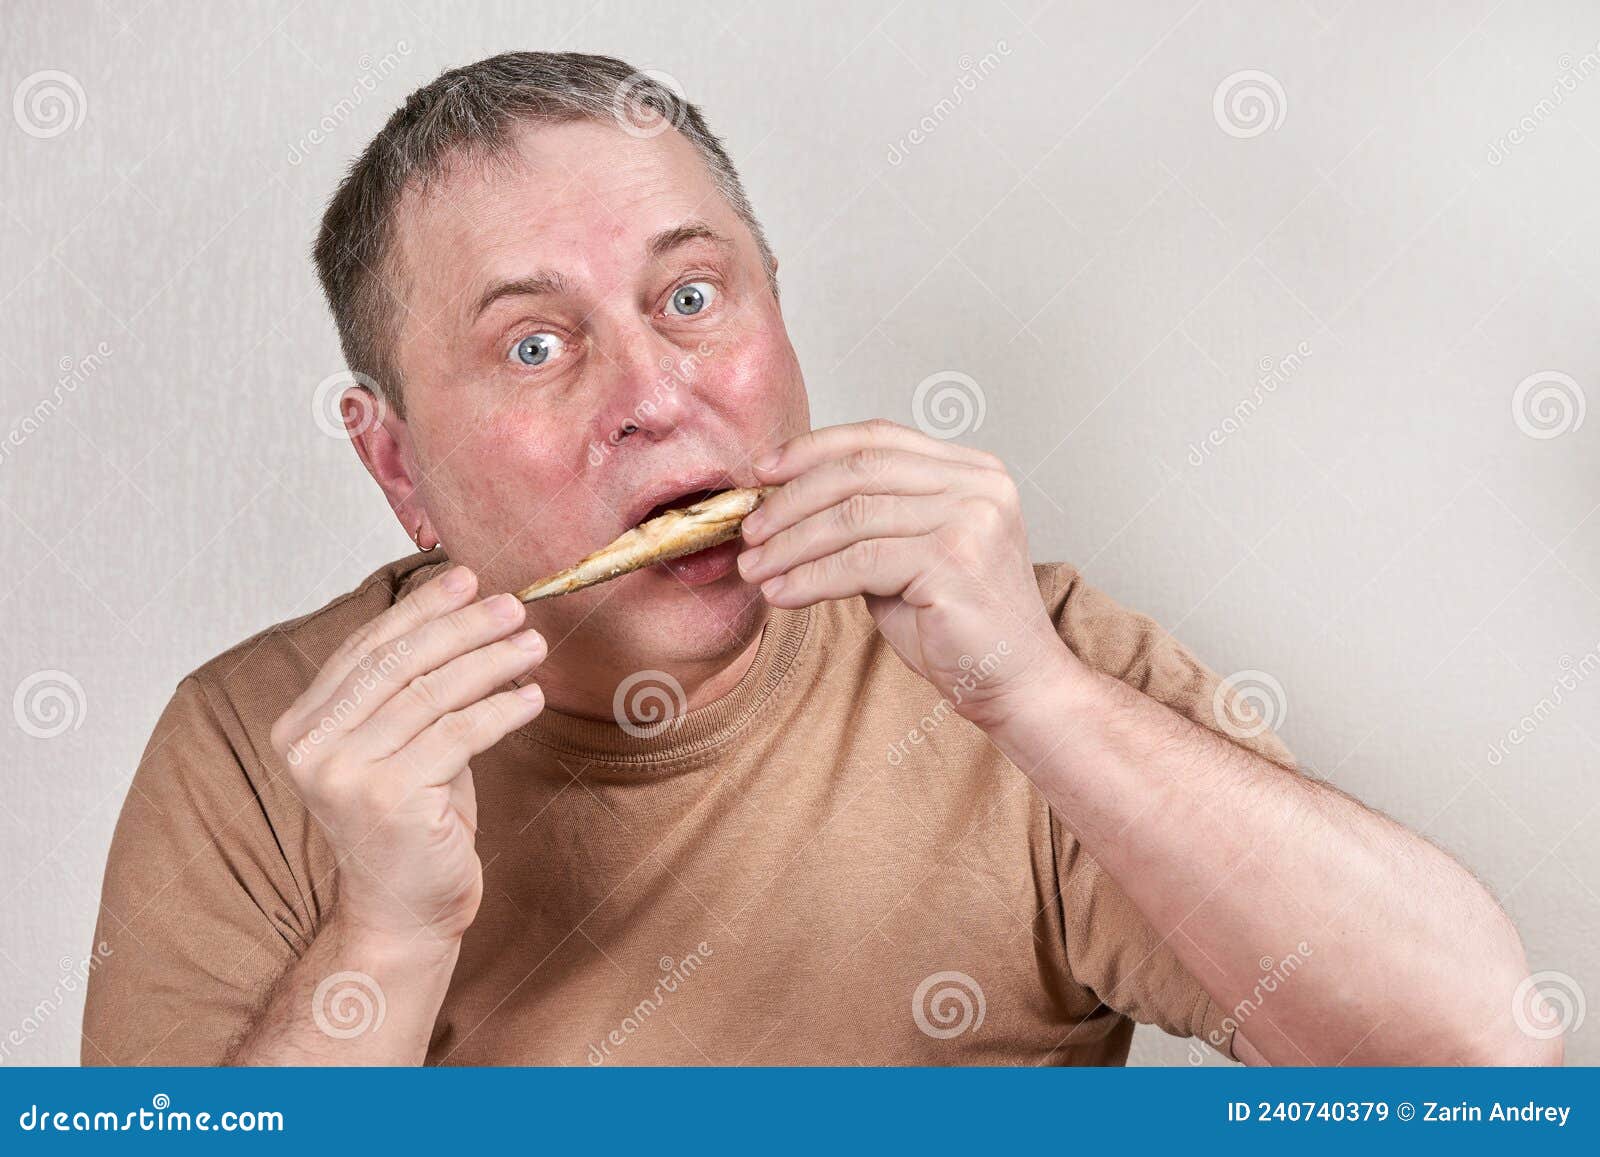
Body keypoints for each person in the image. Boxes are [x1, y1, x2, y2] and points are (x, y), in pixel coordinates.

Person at [83, 52, 1556, 1067]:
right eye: (535, 343)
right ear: (396, 463)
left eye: (694, 293)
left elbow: (1485, 1055)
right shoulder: (260, 747)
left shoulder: (1017, 652)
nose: (653, 389)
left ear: (780, 321)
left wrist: (1038, 698)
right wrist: (386, 930)